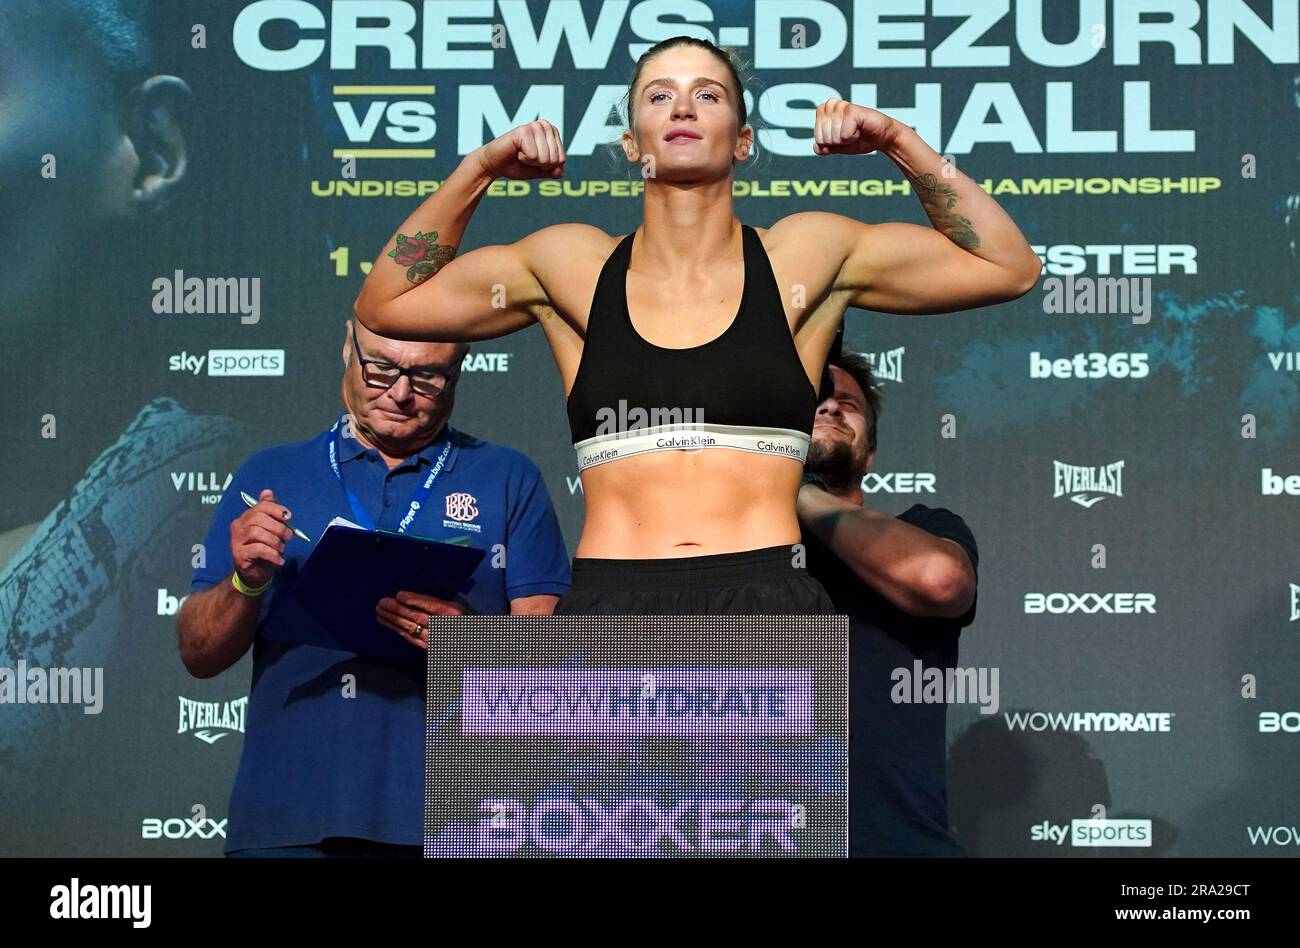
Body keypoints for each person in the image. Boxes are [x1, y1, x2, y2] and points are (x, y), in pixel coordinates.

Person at [352, 35, 1038, 616]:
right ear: (631, 143)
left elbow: (1008, 268)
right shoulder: (569, 263)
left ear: (743, 141)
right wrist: (480, 170)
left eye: (708, 94)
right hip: (610, 602)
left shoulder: (808, 253)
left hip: (765, 600)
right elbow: (388, 304)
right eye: (659, 95)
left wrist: (899, 141)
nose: (682, 106)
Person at [177, 319, 572, 857]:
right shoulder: (270, 473)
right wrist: (245, 583)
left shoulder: (507, 477)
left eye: (429, 377)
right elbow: (198, 654)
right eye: (381, 368)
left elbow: (557, 674)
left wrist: (470, 647)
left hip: (464, 823)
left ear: (460, 372)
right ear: (348, 346)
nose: (402, 393)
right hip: (287, 821)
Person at [797, 353, 979, 857]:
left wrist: (802, 494)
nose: (831, 408)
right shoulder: (732, 551)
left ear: (871, 451)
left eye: (847, 404)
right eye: (814, 402)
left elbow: (939, 579)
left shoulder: (926, 525)